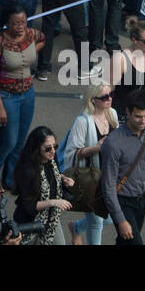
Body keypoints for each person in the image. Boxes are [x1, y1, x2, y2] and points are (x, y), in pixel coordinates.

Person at [0, 5, 43, 189]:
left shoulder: (31, 34)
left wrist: (28, 55)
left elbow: (43, 39)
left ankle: (10, 178)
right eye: (16, 23)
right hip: (6, 96)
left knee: (20, 142)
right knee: (8, 141)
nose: (20, 26)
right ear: (6, 23)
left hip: (28, 94)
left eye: (23, 22)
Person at [100, 89, 145, 244]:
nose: (143, 121)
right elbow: (108, 186)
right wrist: (120, 220)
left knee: (124, 242)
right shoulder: (113, 144)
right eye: (138, 116)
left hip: (142, 199)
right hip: (122, 201)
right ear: (127, 112)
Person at [61, 84, 118, 244]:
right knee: (96, 222)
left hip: (111, 174)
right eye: (104, 97)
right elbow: (73, 152)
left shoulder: (112, 113)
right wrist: (97, 147)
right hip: (92, 178)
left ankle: (77, 227)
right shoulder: (82, 121)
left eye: (111, 94)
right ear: (93, 100)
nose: (109, 99)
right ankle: (80, 229)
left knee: (112, 216)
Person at [12, 126, 74, 244]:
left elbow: (54, 174)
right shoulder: (27, 171)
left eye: (55, 146)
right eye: (48, 148)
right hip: (29, 222)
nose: (53, 151)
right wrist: (54, 202)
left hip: (51, 219)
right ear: (37, 148)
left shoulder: (51, 157)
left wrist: (63, 178)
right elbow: (28, 206)